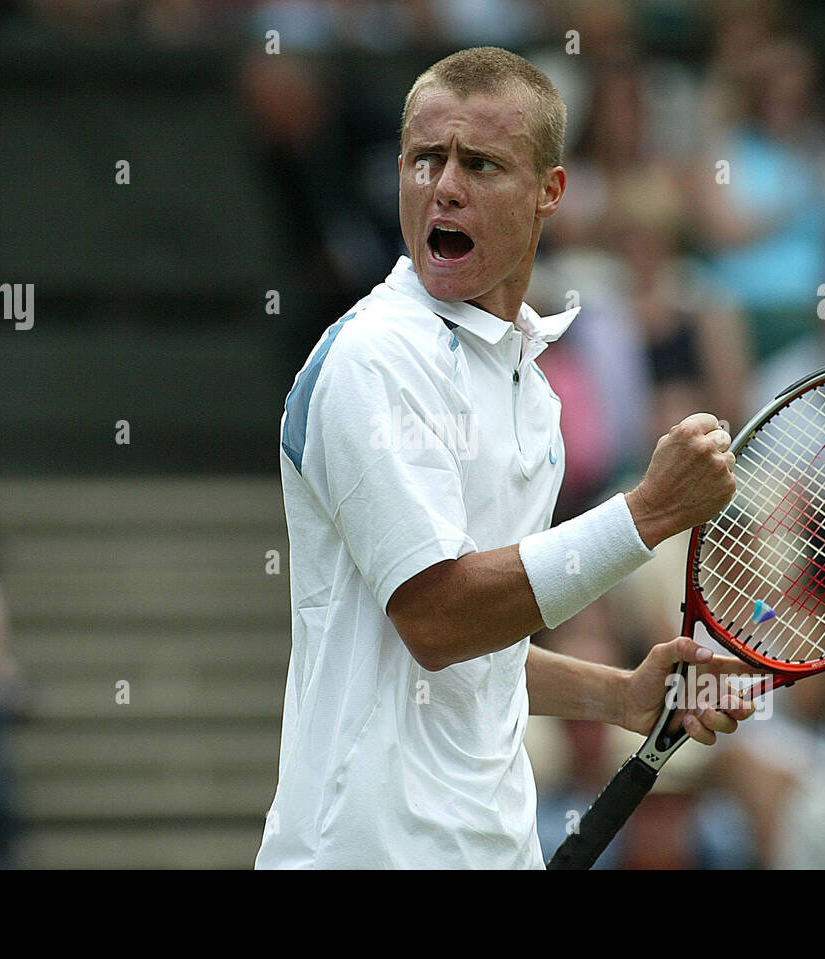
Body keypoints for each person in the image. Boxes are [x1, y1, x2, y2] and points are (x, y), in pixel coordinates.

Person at [257, 46, 749, 870]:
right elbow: (438, 619)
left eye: (480, 164)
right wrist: (649, 513)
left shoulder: (529, 387)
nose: (443, 186)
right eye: (424, 159)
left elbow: (483, 649)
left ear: (548, 193)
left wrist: (617, 695)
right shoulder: (377, 357)